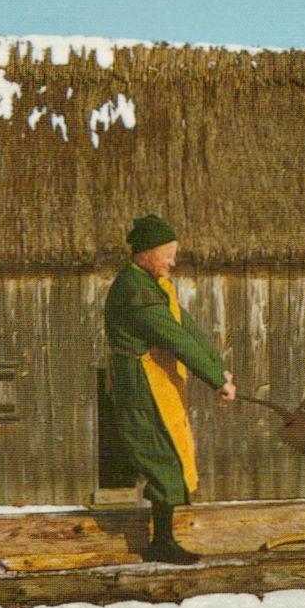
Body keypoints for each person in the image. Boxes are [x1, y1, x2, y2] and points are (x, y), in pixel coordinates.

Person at [103, 214, 236, 565]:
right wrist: (215, 380)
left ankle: (163, 538)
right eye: (168, 254)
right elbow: (171, 336)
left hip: (154, 379)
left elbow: (186, 328)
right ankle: (161, 542)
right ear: (146, 253)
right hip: (139, 381)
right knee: (161, 453)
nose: (173, 262)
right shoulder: (135, 289)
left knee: (172, 449)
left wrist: (217, 367)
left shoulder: (154, 284)